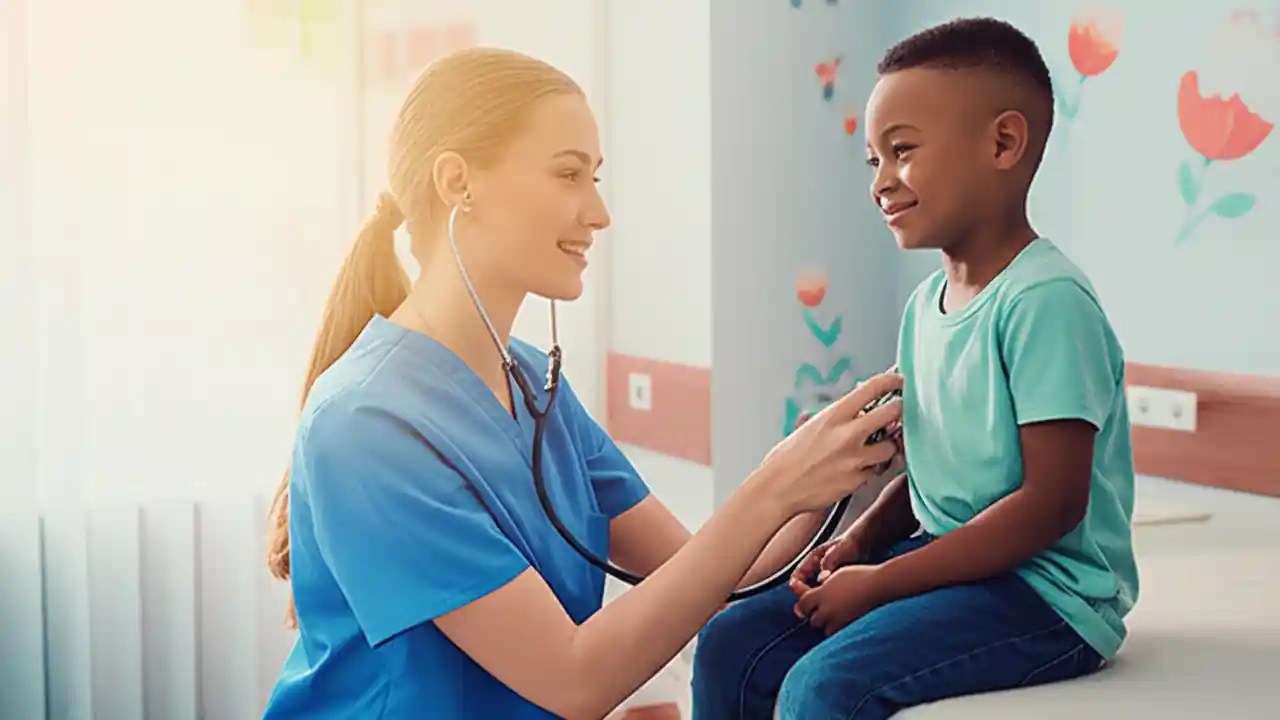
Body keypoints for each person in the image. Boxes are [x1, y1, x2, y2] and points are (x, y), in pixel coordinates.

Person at [260, 47, 905, 719]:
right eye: (570, 174)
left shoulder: (536, 386)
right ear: (458, 182)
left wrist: (831, 463)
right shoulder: (365, 426)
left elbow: (714, 577)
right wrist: (776, 481)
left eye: (595, 178)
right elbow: (572, 681)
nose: (599, 213)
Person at [692, 17, 1139, 719]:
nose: (881, 181)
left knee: (824, 687)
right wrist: (861, 541)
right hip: (951, 559)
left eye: (901, 152)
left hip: (1045, 593)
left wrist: (885, 582)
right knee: (730, 644)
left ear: (1003, 143)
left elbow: (1052, 506)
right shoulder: (925, 304)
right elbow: (935, 475)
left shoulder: (1046, 301)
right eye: (873, 160)